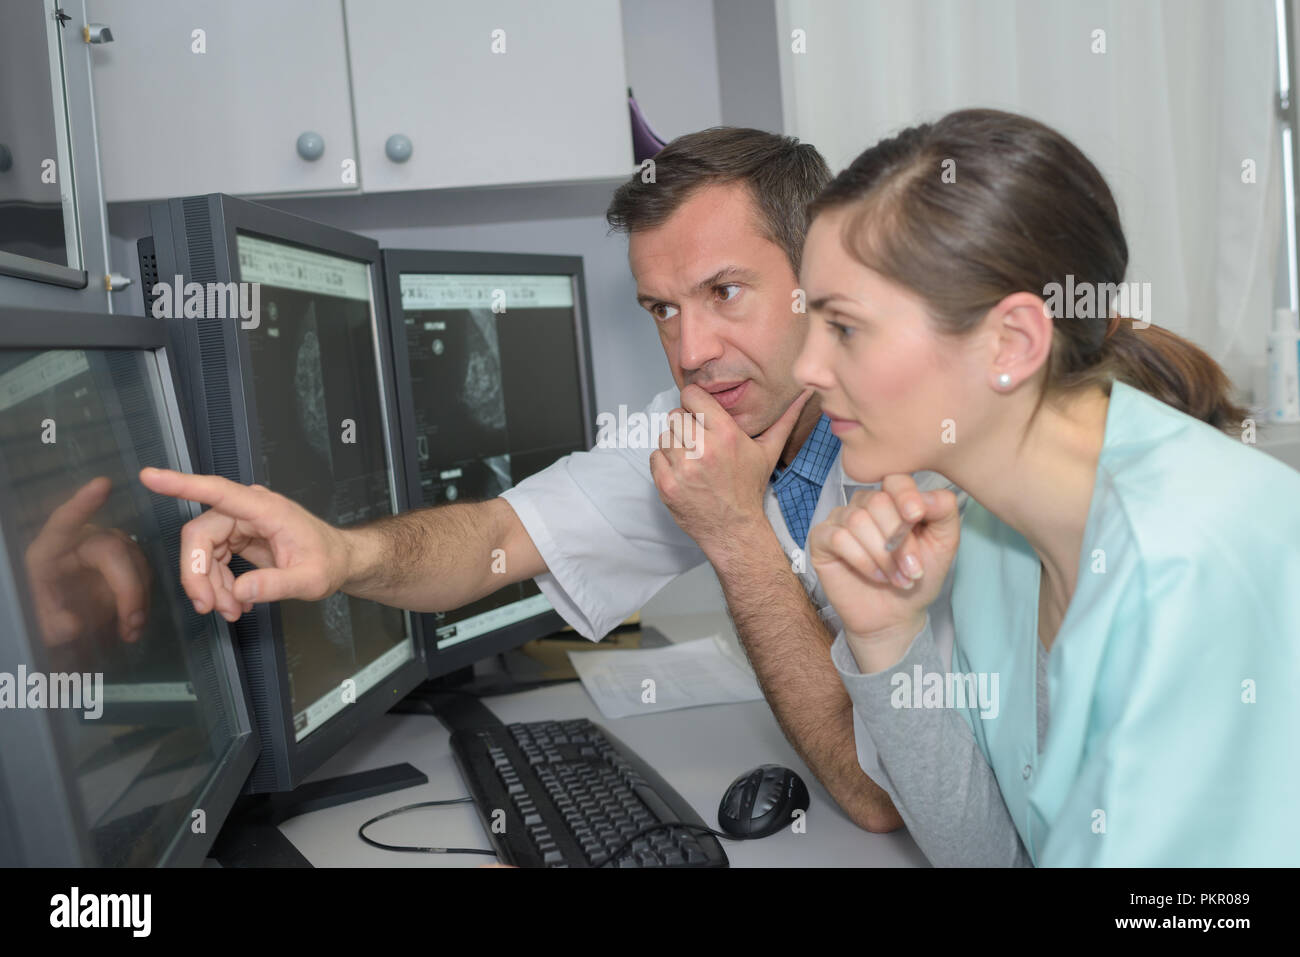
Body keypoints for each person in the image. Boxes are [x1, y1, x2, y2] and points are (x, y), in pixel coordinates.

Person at [140, 127, 957, 834]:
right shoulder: (701, 441)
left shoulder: (933, 457)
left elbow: (878, 790)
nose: (692, 351)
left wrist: (738, 531)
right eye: (661, 309)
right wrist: (342, 553)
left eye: (723, 291)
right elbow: (495, 538)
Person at [795, 107, 1300, 865]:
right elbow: (996, 852)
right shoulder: (990, 530)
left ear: (1012, 342)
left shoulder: (1188, 566)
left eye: (844, 326)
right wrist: (887, 637)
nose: (805, 368)